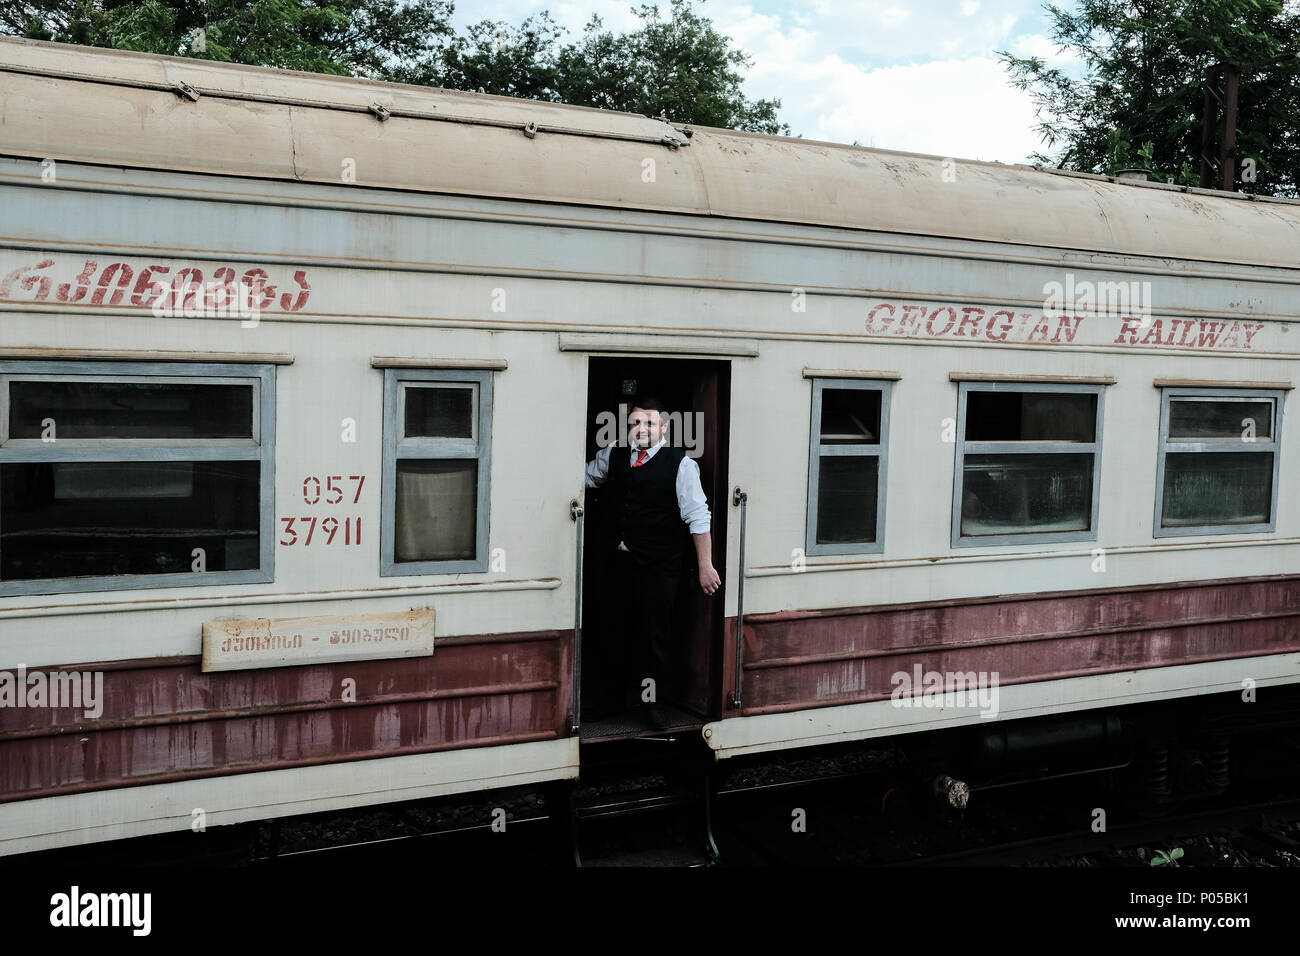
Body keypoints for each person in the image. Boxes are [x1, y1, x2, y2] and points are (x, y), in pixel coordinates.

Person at [584, 398, 721, 727]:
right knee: (611, 630)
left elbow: (698, 517)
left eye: (648, 424)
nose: (640, 429)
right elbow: (587, 479)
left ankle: (653, 704)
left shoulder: (682, 464)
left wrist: (706, 565)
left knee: (654, 637)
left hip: (659, 566)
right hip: (618, 562)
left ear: (664, 428)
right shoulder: (613, 454)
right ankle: (610, 701)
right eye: (635, 423)